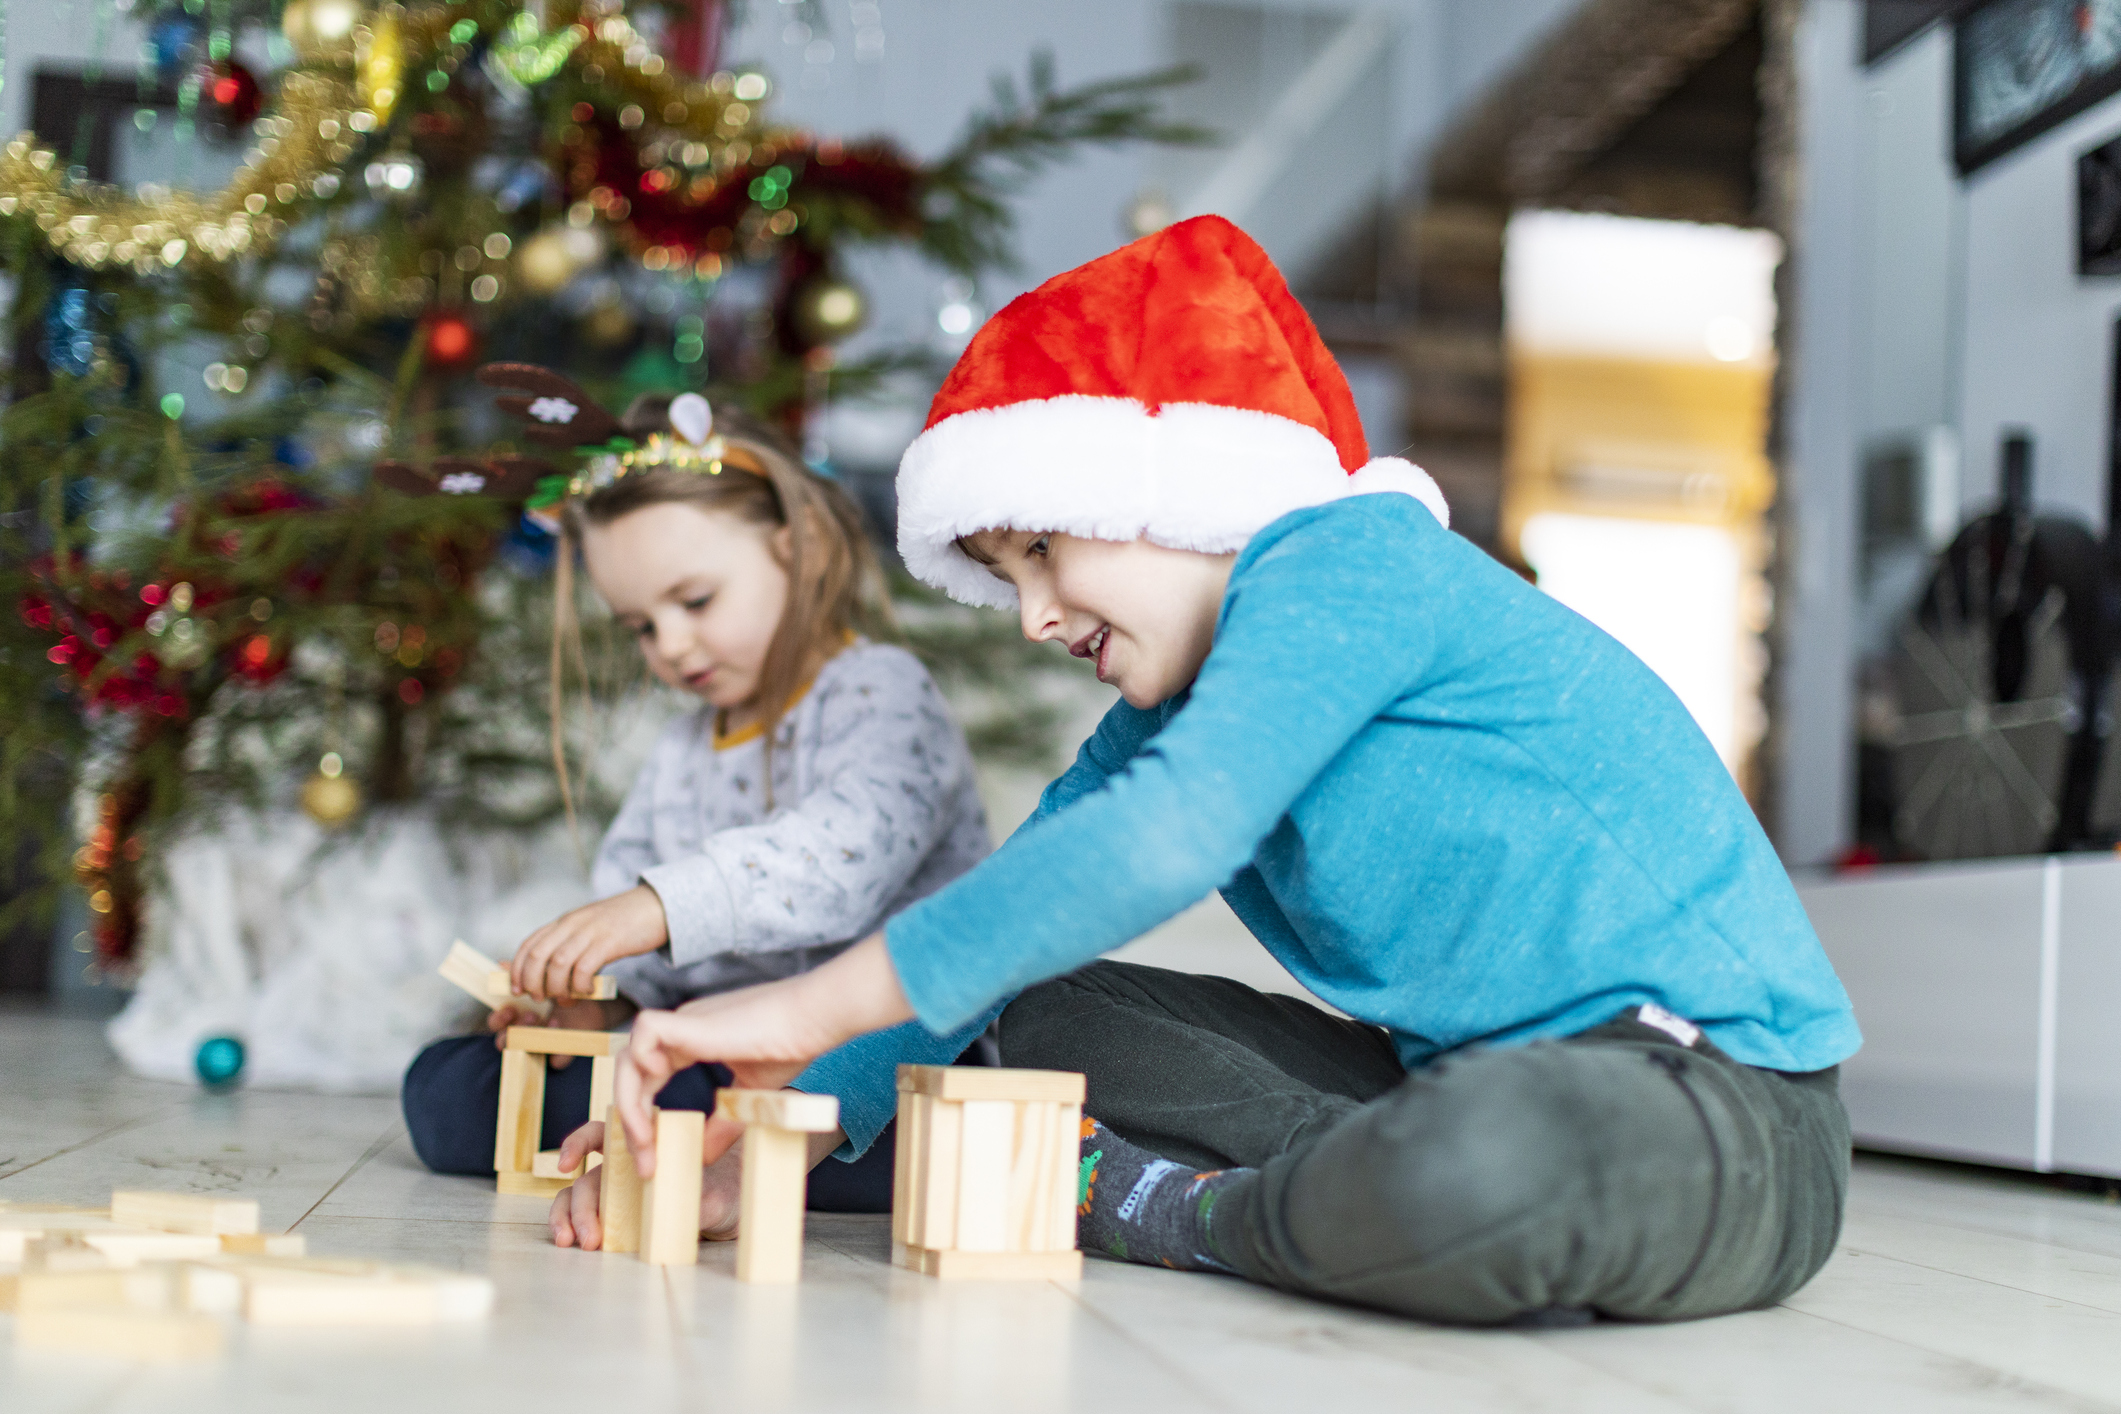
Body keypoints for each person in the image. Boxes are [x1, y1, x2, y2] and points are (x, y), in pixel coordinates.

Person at [591, 214, 1861, 1325]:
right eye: (1005, 576)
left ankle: (1204, 1212)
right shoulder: (1173, 698)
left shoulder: (1353, 557)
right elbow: (1011, 916)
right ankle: (1353, 1196)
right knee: (1020, 999)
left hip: (1718, 1107)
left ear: (1178, 489)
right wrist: (770, 1150)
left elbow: (1170, 835)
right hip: (1446, 1083)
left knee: (1477, 1165)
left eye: (1041, 548)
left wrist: (798, 1004)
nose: (1031, 614)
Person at [398, 383, 992, 1231]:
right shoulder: (683, 747)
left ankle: (727, 1152)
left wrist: (656, 907)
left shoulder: (882, 690)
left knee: (895, 1108)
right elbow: (636, 953)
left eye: (696, 602)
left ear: (795, 549)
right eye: (641, 625)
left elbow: (840, 864)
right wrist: (592, 1004)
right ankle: (687, 1142)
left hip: (878, 1062)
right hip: (714, 1057)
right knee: (446, 1091)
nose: (671, 646)